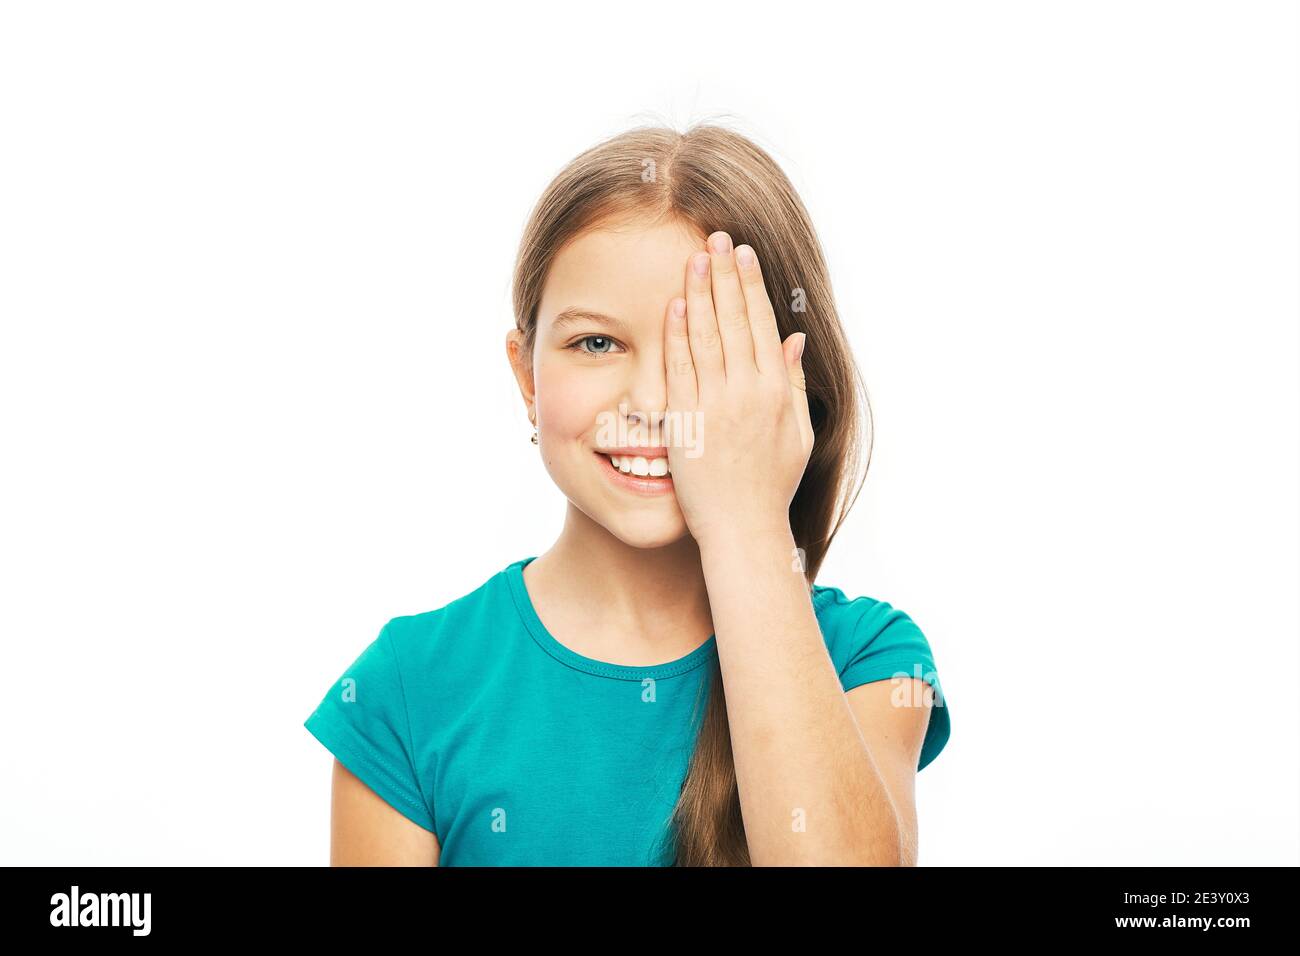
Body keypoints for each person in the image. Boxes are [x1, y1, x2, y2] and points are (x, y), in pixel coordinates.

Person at [304, 123, 951, 866]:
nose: (648, 400)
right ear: (526, 376)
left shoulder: (869, 660)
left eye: (703, 349)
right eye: (597, 344)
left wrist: (744, 519)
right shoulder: (406, 688)